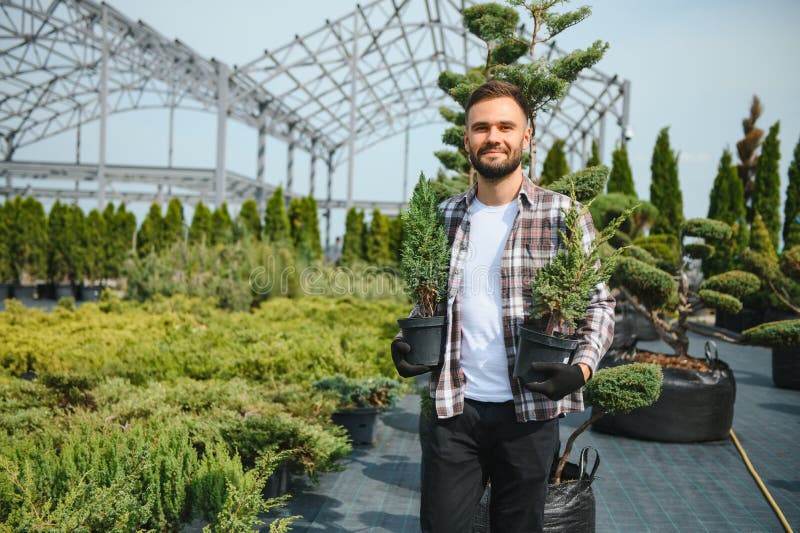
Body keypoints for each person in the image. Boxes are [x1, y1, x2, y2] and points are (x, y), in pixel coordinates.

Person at [391, 80, 615, 532]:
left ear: (526, 136)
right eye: (481, 127)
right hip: (454, 409)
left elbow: (600, 305)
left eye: (505, 126)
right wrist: (406, 342)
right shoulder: (445, 216)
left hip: (528, 412)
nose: (493, 136)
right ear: (467, 139)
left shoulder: (563, 215)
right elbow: (427, 301)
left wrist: (582, 369)